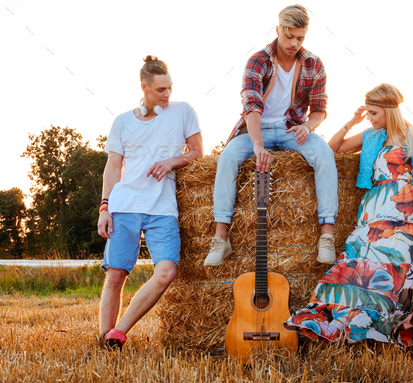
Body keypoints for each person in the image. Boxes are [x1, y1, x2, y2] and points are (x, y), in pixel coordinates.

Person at [284, 84, 413, 348]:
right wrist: (352, 121)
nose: (371, 118)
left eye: (374, 112)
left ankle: (386, 327)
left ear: (389, 110)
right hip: (373, 210)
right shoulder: (372, 136)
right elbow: (333, 148)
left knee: (396, 266)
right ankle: (344, 321)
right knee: (355, 262)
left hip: (407, 211)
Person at [204, 4, 339, 267]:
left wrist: (307, 127)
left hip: (292, 130)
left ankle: (327, 235)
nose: (294, 43)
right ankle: (221, 238)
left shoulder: (313, 63)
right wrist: (257, 145)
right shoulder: (258, 60)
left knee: (324, 154)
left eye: (300, 37)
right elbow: (251, 107)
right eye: (289, 36)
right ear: (278, 30)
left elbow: (320, 110)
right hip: (256, 130)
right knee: (228, 156)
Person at [97, 55, 203, 350]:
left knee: (167, 271)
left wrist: (171, 161)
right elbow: (113, 166)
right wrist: (104, 207)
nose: (167, 94)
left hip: (162, 208)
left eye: (170, 88)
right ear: (144, 87)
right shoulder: (122, 121)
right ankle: (106, 340)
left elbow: (197, 152)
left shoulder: (183, 111)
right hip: (125, 204)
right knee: (116, 274)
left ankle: (119, 331)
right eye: (160, 90)